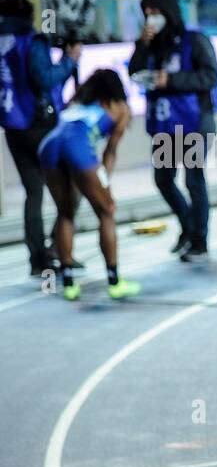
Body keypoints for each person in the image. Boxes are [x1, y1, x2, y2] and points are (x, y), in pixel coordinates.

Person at [128, 0, 217, 262]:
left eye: (155, 12)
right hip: (165, 124)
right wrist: (141, 45)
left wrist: (172, 80)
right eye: (146, 13)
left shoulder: (195, 40)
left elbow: (210, 76)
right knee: (163, 179)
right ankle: (188, 228)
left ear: (168, 11)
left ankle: (200, 241)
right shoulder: (152, 44)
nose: (151, 18)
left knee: (193, 179)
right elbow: (134, 71)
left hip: (194, 122)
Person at [37, 68, 140, 301]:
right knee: (107, 210)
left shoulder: (76, 101)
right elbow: (110, 151)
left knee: (65, 212)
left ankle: (69, 283)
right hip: (78, 149)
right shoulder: (120, 108)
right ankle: (114, 282)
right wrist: (104, 182)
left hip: (49, 146)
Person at [0, 0, 80, 276]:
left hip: (12, 126)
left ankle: (38, 260)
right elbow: (44, 78)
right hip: (40, 126)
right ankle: (60, 250)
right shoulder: (31, 40)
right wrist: (69, 61)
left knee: (33, 193)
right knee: (72, 189)